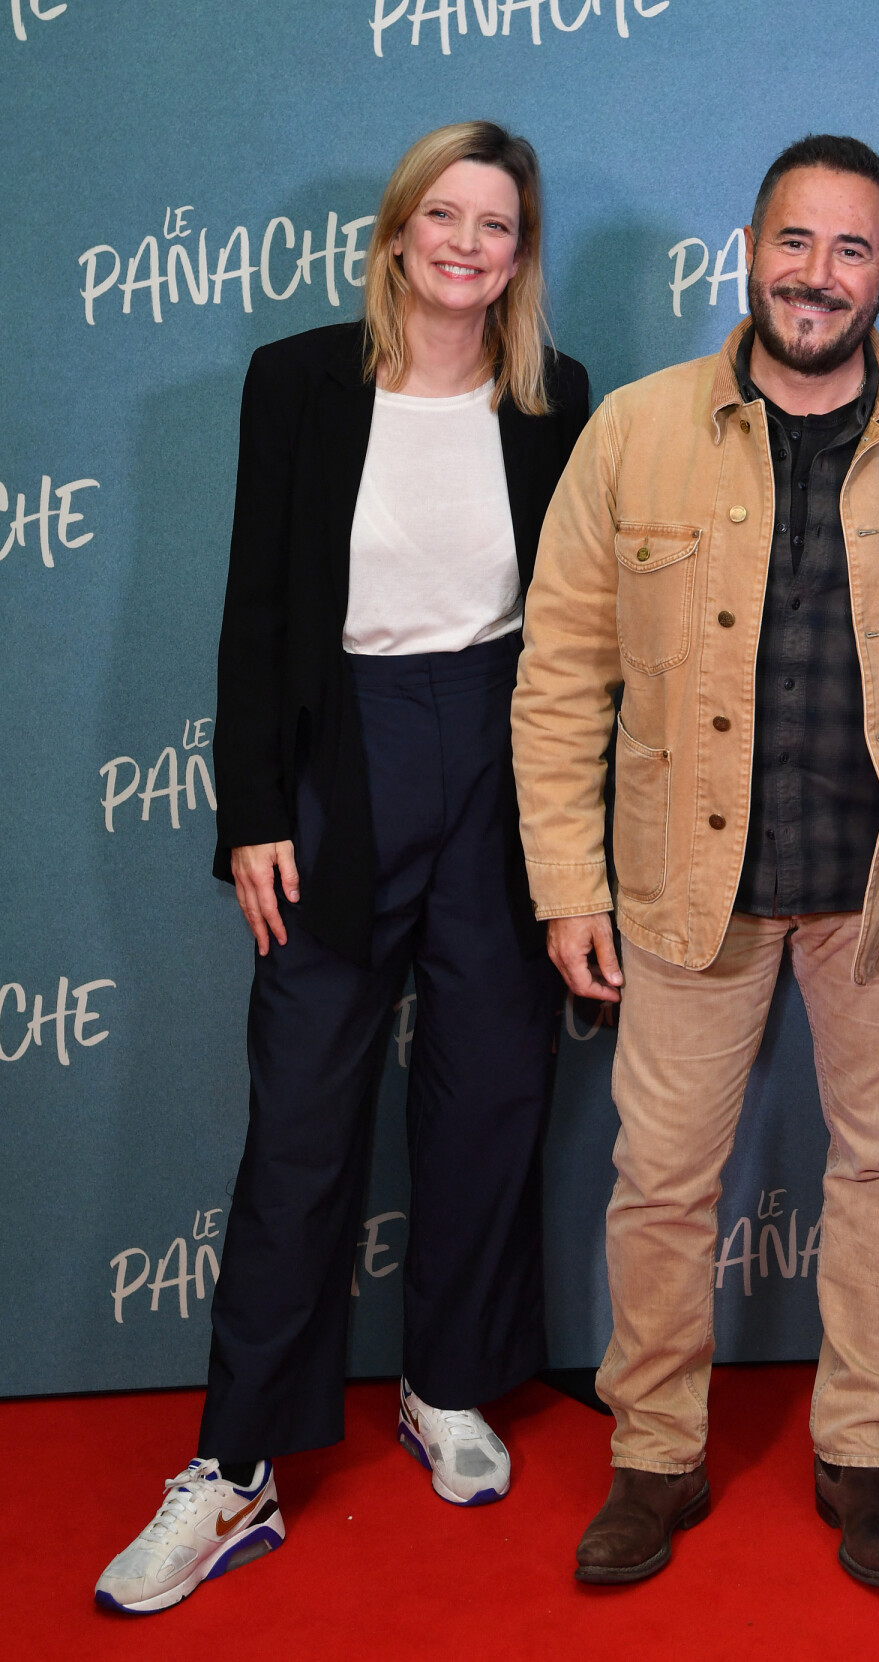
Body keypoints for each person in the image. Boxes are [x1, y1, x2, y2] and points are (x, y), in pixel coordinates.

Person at [511, 134, 879, 1592]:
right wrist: (569, 882)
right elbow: (562, 669)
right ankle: (655, 1453)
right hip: (682, 891)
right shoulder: (634, 433)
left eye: (850, 250)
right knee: (660, 1180)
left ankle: (863, 1453)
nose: (815, 275)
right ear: (747, 246)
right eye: (794, 241)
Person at [95, 121, 589, 1615]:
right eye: (444, 213)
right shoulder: (298, 379)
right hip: (342, 764)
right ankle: (233, 1468)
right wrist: (254, 804)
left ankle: (446, 1384)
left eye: (496, 225)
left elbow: (577, 629)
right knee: (304, 1119)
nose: (466, 244)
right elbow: (256, 606)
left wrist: (581, 831)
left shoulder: (558, 395)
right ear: (397, 228)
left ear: (521, 254)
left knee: (493, 1091)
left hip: (503, 749)